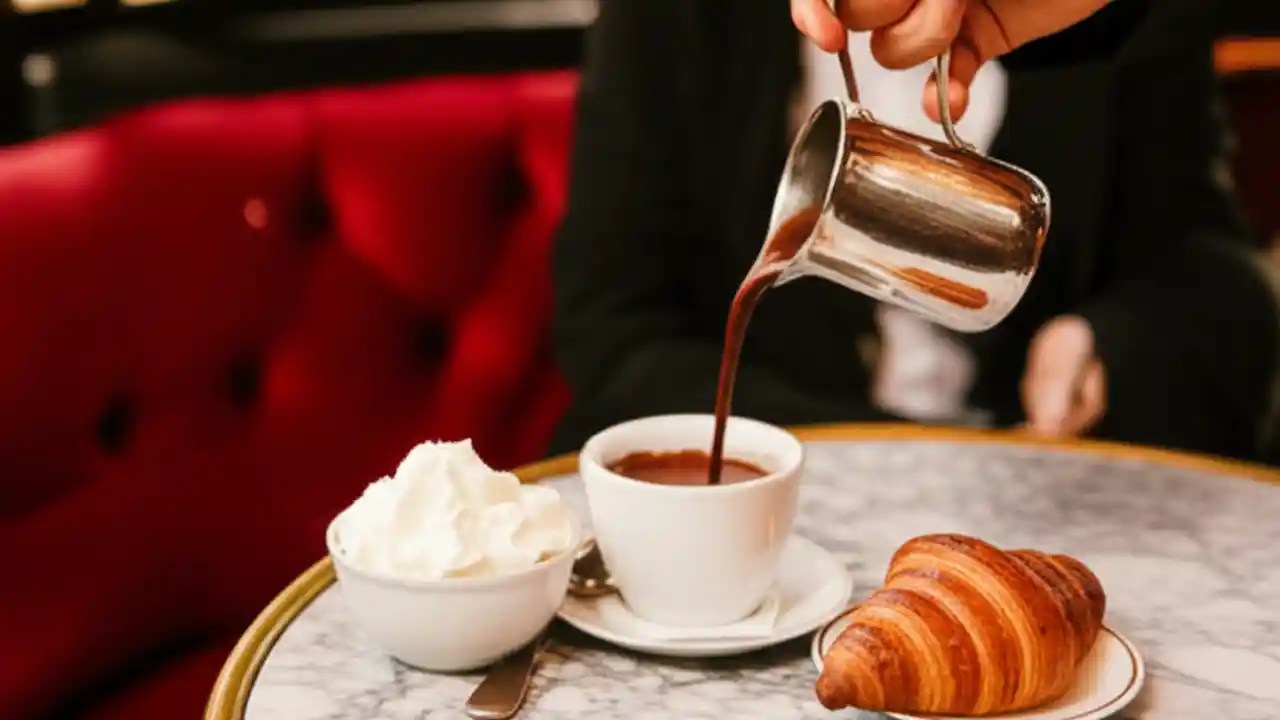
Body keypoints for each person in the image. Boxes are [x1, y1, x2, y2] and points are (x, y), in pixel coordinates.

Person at [549, 0, 1280, 462]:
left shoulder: (1104, 16)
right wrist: (911, 455)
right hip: (788, 510)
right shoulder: (672, 19)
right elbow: (612, 331)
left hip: (1032, 507)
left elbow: (1213, 281)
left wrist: (1104, 343)